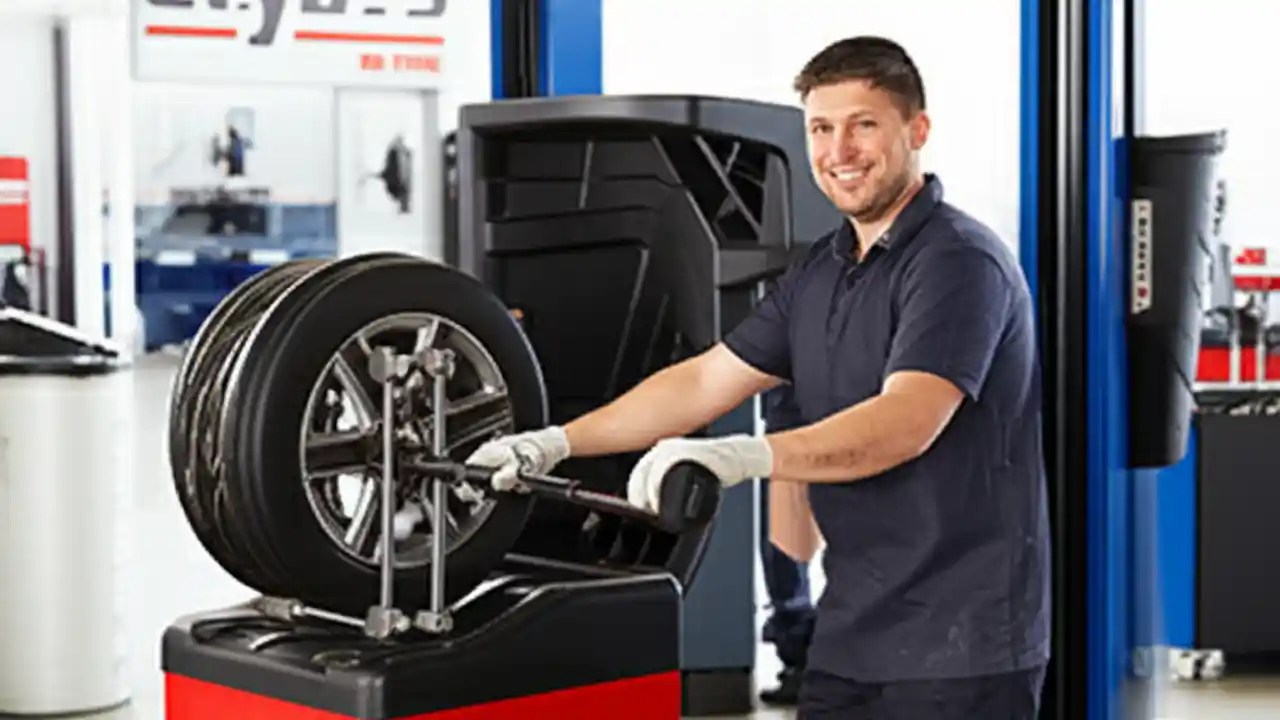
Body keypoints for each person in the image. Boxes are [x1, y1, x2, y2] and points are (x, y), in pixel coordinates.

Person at [467, 35, 1051, 719]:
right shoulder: (823, 269)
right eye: (821, 129)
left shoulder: (957, 261)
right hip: (853, 636)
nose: (839, 152)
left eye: (864, 125)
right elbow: (703, 381)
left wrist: (743, 456)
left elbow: (905, 424)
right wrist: (554, 442)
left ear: (917, 130)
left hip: (962, 649)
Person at [757, 385, 815, 706]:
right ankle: (799, 657)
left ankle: (801, 657)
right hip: (789, 421)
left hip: (859, 411)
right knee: (785, 545)